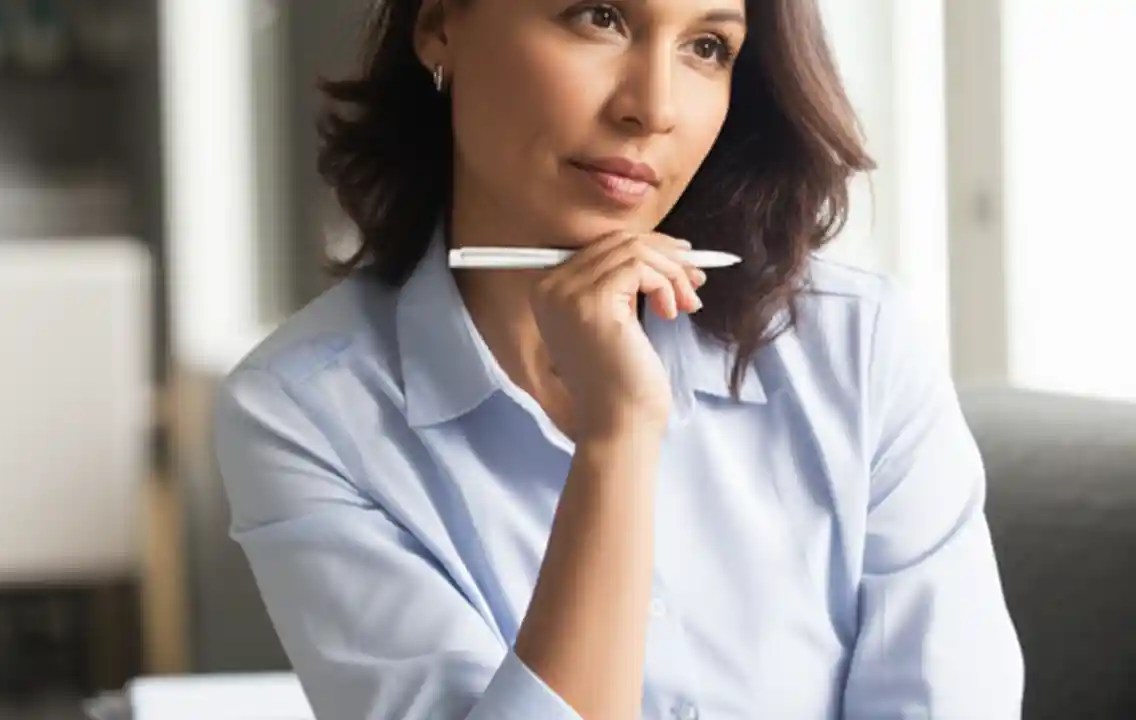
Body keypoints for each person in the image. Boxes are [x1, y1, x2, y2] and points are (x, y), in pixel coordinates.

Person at [213, 0, 1024, 717]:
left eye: (708, 46)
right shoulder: (304, 411)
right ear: (439, 26)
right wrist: (618, 440)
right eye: (599, 16)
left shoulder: (859, 346)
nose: (654, 108)